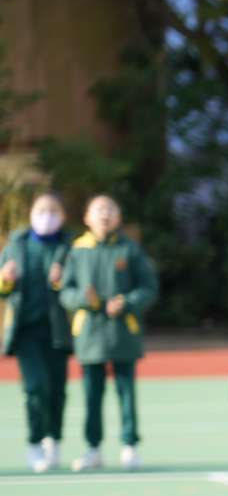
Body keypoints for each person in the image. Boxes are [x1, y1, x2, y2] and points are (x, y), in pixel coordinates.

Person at [59, 195, 158, 472]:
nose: (105, 214)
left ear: (119, 217)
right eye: (99, 210)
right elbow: (65, 292)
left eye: (110, 209)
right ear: (87, 218)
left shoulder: (130, 249)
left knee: (126, 392)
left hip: (123, 331)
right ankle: (93, 449)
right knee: (92, 395)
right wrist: (84, 299)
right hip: (90, 334)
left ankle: (130, 446)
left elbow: (148, 288)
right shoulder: (77, 251)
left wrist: (127, 302)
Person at [1, 193, 73, 473]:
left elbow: (77, 286)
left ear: (62, 216)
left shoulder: (69, 248)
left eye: (53, 211)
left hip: (58, 331)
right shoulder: (15, 245)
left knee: (56, 391)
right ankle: (35, 443)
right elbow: (2, 289)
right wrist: (5, 280)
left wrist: (61, 281)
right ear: (31, 213)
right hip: (25, 332)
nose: (47, 216)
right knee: (35, 387)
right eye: (41, 210)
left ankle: (53, 439)